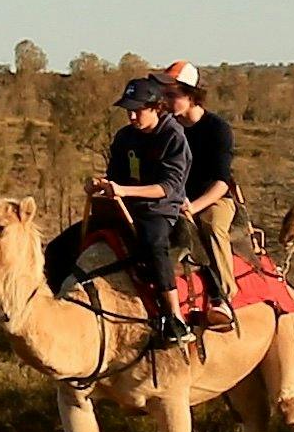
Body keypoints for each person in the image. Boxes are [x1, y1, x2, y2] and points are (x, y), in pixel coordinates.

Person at [100, 75, 204, 327]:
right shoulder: (125, 137)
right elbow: (115, 176)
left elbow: (167, 187)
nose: (131, 116)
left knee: (154, 244)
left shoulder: (173, 137)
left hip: (160, 210)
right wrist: (100, 185)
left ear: (156, 108)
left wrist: (124, 191)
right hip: (126, 206)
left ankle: (174, 317)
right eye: (128, 110)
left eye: (137, 110)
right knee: (70, 242)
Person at [169, 66, 245, 304]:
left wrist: (193, 207)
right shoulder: (168, 128)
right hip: (175, 198)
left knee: (212, 224)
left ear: (191, 96)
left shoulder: (217, 129)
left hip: (213, 199)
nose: (166, 101)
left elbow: (222, 182)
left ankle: (224, 295)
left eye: (172, 95)